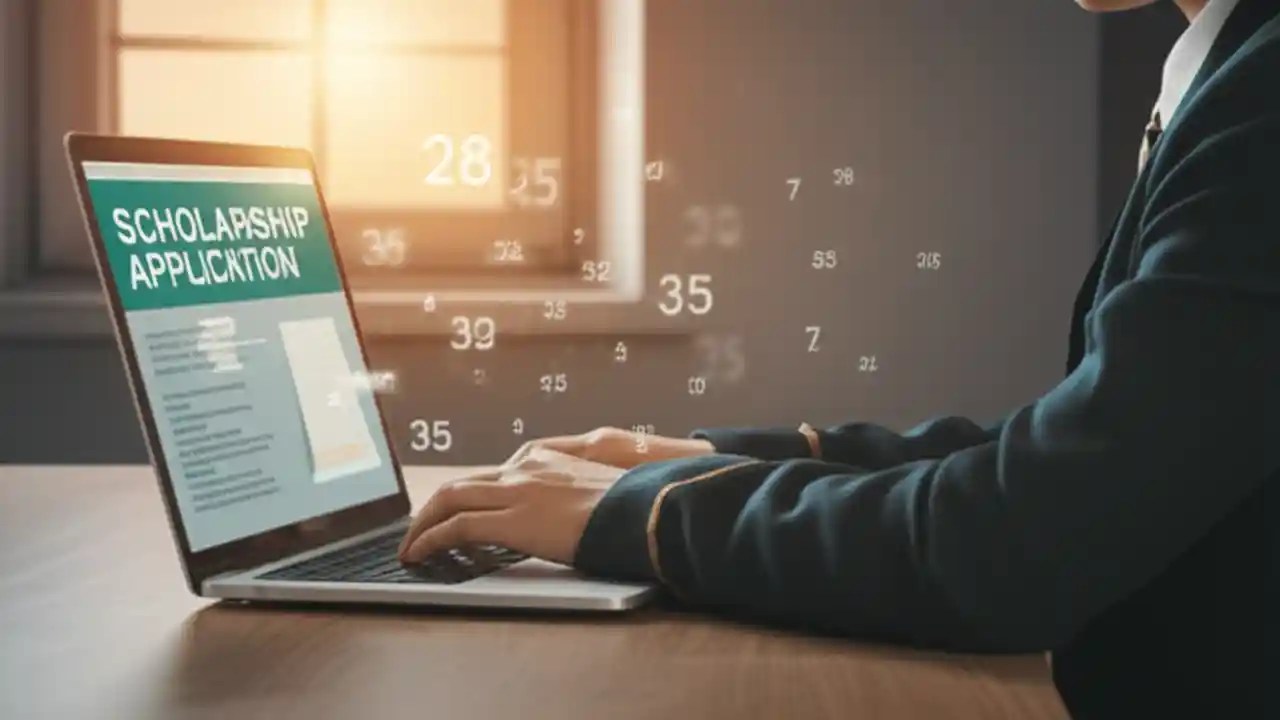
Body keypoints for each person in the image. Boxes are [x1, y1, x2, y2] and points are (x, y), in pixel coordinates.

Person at [401, 0, 1278, 716]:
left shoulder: (1261, 99)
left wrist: (650, 517)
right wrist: (720, 461)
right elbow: (1085, 451)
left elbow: (1020, 539)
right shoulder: (1233, 67)